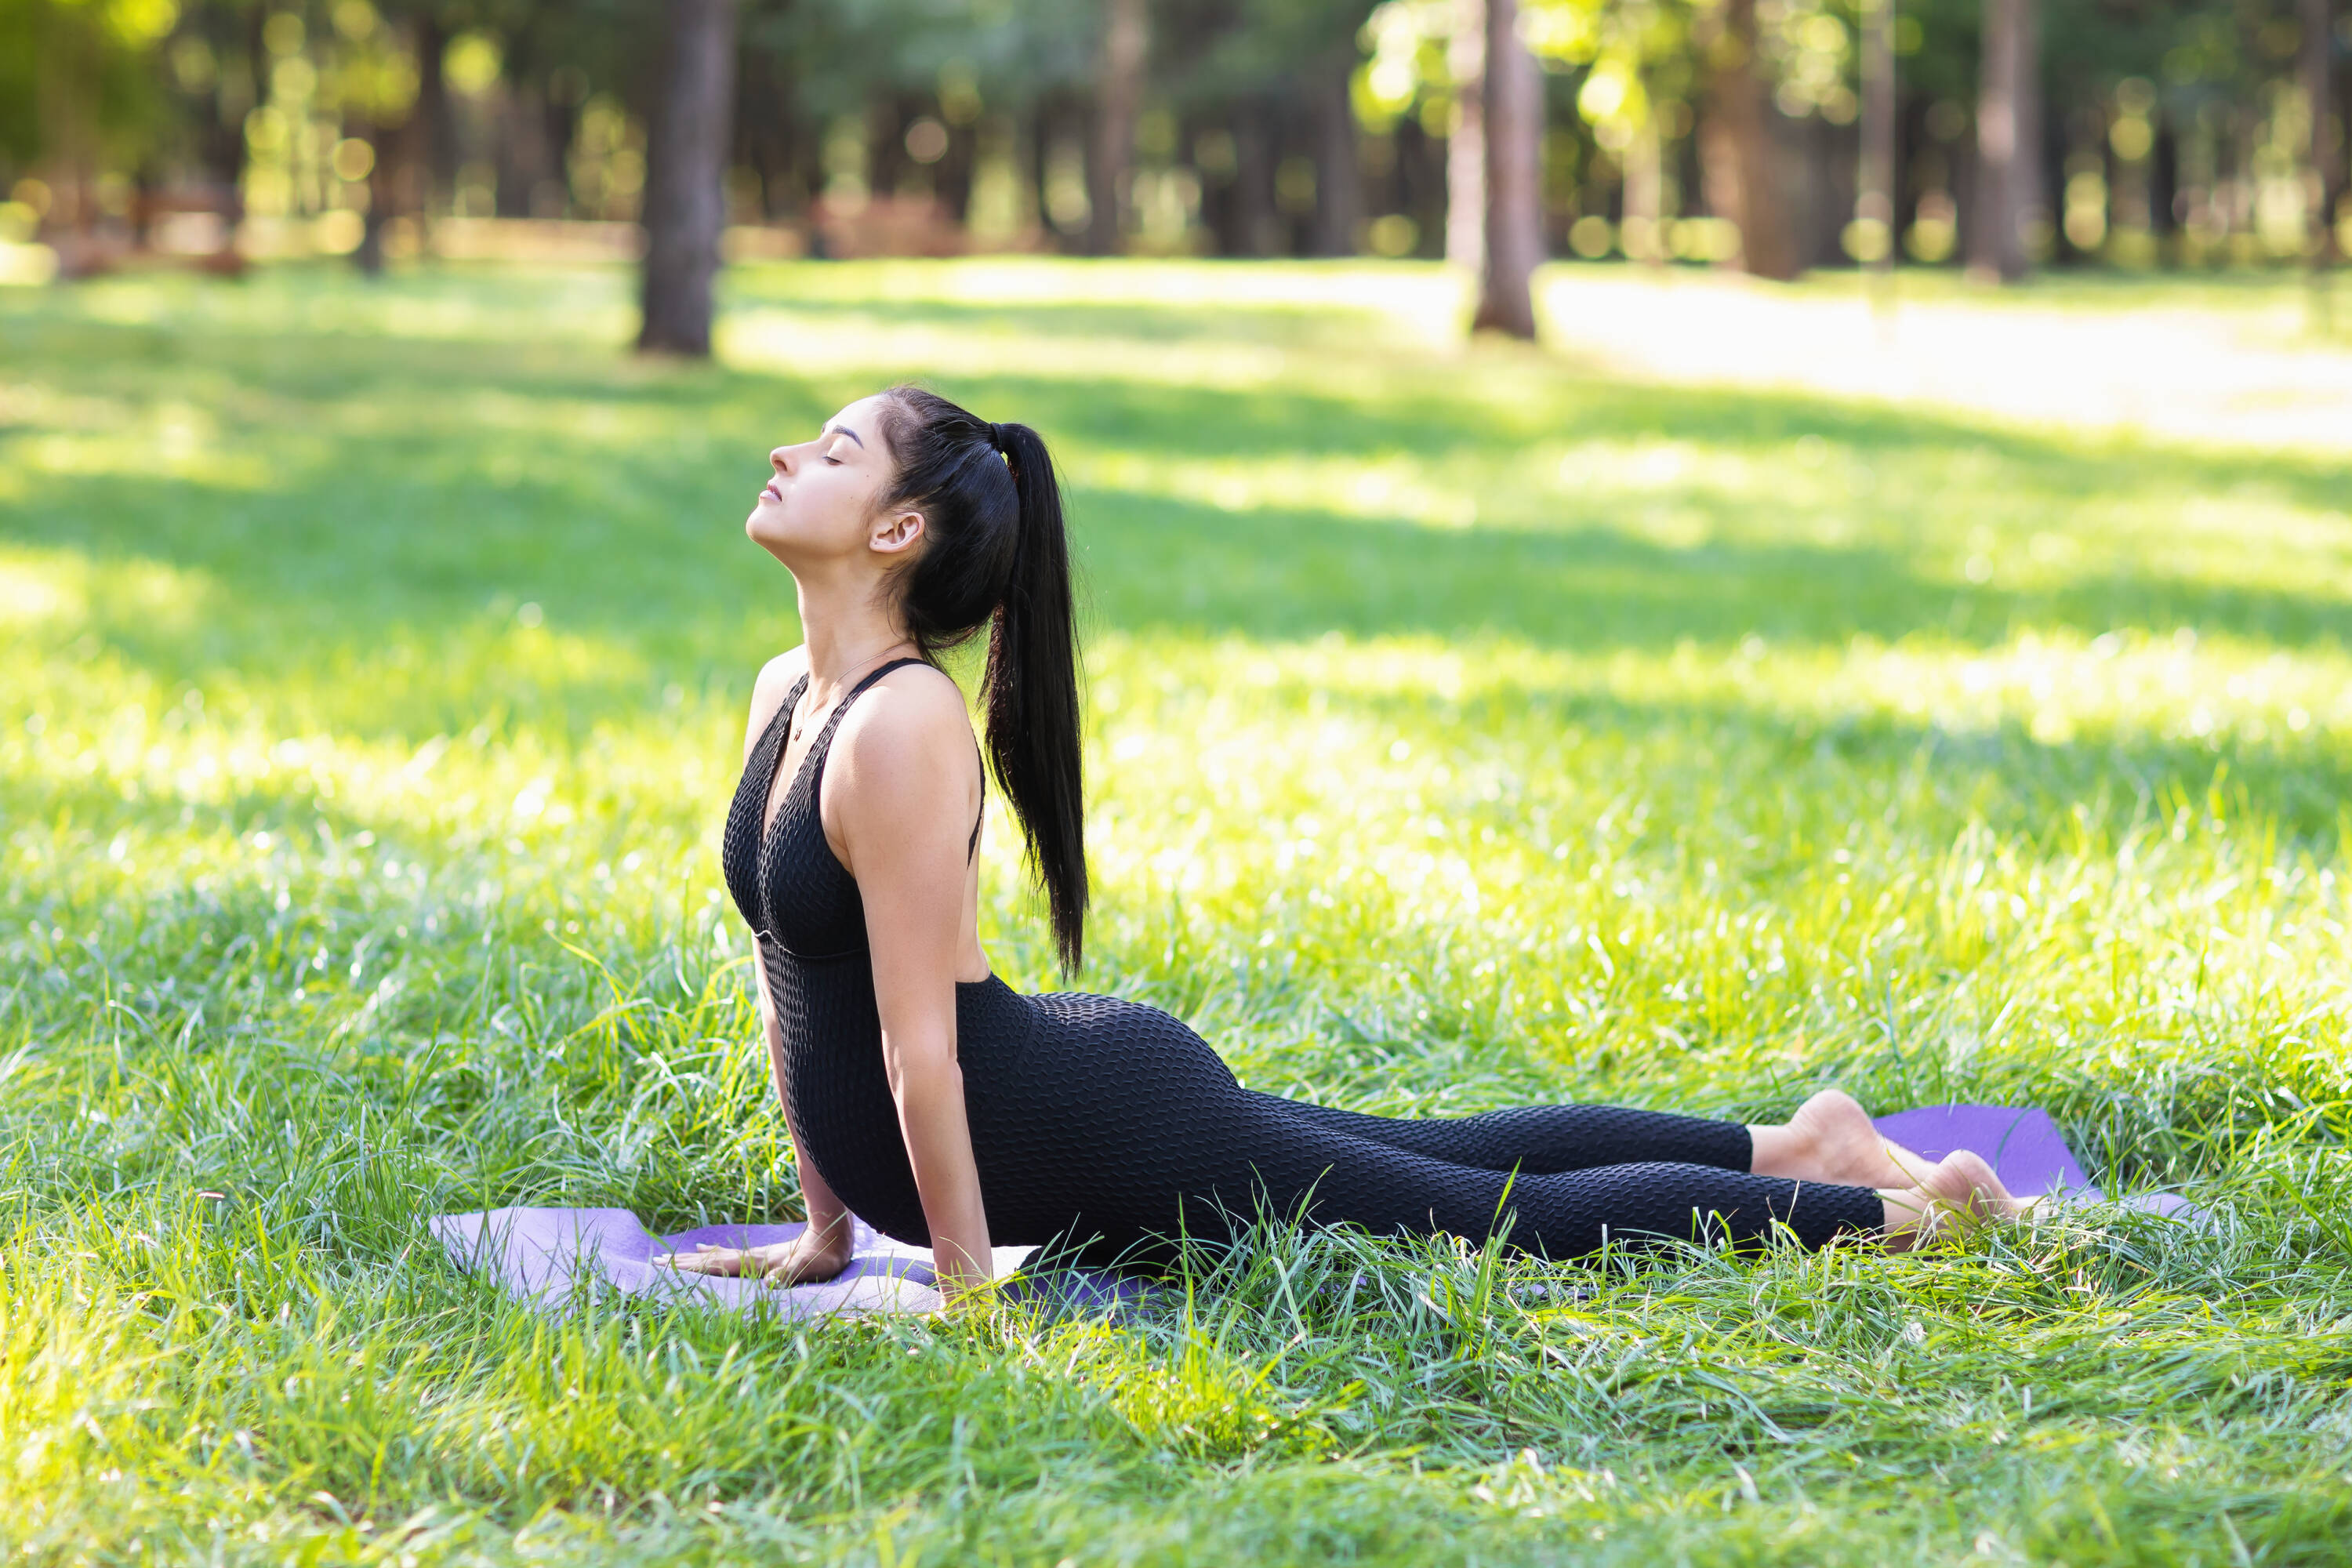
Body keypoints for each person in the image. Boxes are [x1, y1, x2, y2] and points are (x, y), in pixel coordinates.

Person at [659, 387, 2026, 1300]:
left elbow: (916, 1046)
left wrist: (963, 1287)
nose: (786, 453)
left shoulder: (903, 728)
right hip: (1063, 1086)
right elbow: (797, 982)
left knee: (1480, 1217)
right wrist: (828, 1236)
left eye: (833, 452)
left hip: (1098, 1122)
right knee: (1438, 1152)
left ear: (898, 531)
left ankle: (1902, 1216)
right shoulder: (792, 694)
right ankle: (1804, 1141)